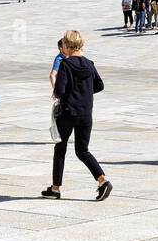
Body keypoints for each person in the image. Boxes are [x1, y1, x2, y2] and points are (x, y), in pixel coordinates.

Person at [42, 30, 112, 201]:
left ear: (67, 45)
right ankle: (102, 180)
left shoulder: (66, 64)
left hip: (68, 112)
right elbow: (100, 85)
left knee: (60, 149)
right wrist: (84, 93)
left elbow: (59, 91)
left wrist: (69, 94)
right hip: (86, 113)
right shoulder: (90, 64)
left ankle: (56, 188)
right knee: (82, 150)